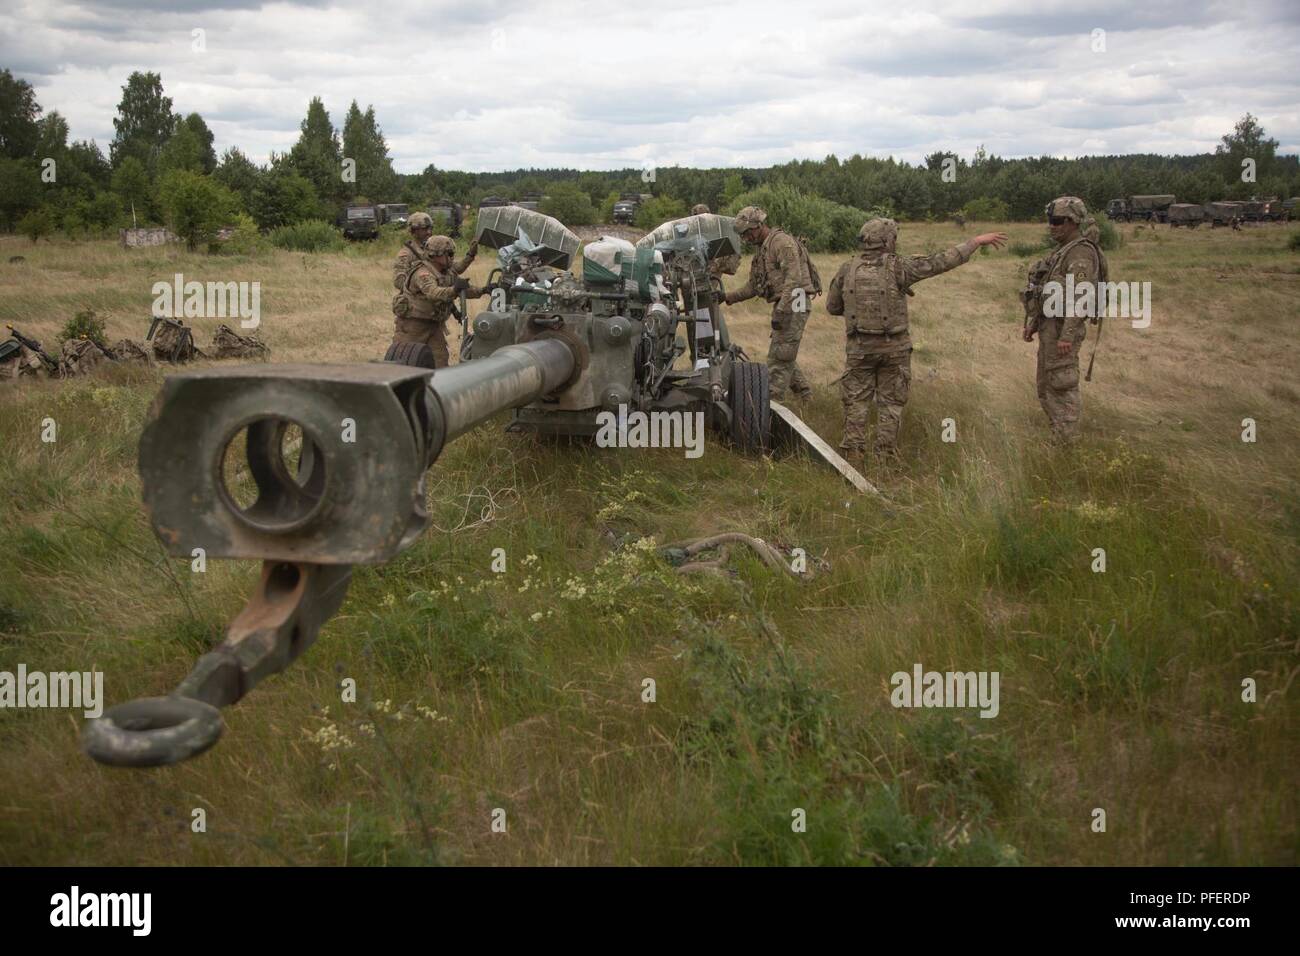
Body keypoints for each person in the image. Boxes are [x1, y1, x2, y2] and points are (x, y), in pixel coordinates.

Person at [827, 219, 1007, 458]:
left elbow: (832, 306)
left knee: (856, 403)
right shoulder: (900, 266)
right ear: (889, 240)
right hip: (895, 349)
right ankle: (885, 457)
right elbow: (940, 262)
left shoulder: (846, 269)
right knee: (890, 404)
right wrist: (974, 242)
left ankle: (853, 456)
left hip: (859, 349)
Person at [1021, 196, 1107, 444]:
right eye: (1050, 221)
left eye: (1058, 221)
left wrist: (1067, 335)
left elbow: (1081, 297)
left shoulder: (1080, 253)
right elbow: (1046, 292)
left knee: (1062, 384)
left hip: (1062, 332)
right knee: (1046, 384)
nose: (1052, 226)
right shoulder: (1062, 252)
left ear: (1073, 222)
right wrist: (1033, 324)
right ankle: (1058, 435)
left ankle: (1066, 442)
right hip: (1051, 328)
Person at [723, 206, 815, 401]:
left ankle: (772, 405)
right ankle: (805, 396)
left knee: (779, 356)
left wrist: (782, 310)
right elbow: (754, 286)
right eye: (743, 235)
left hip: (795, 300)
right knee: (781, 350)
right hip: (787, 302)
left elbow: (794, 278)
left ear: (759, 226)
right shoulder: (762, 249)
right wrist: (729, 297)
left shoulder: (781, 242)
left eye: (747, 233)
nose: (746, 238)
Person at [391, 234, 485, 367]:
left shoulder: (445, 272)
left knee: (440, 361)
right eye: (450, 254)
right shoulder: (423, 273)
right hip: (413, 326)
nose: (452, 257)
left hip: (433, 326)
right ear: (437, 255)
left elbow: (462, 290)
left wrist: (484, 290)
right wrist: (454, 290)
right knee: (402, 363)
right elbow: (434, 293)